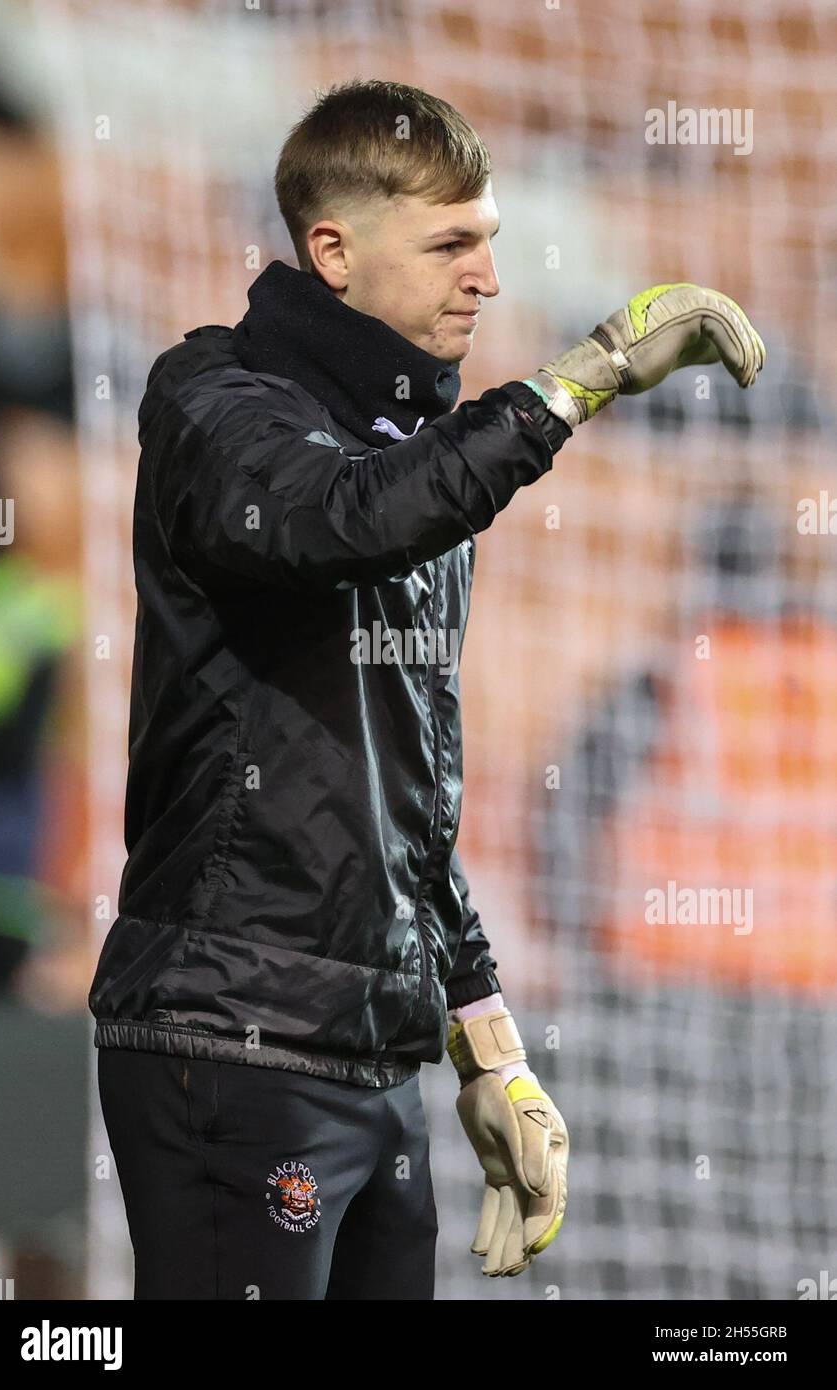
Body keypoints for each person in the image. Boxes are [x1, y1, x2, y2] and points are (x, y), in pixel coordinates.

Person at [89, 78, 765, 1300]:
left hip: (371, 1059)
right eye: (451, 243)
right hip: (231, 1037)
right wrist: (590, 373)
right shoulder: (213, 406)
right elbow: (342, 521)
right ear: (331, 251)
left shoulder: (421, 469)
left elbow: (406, 792)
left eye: (489, 242)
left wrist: (485, 1043)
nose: (485, 279)